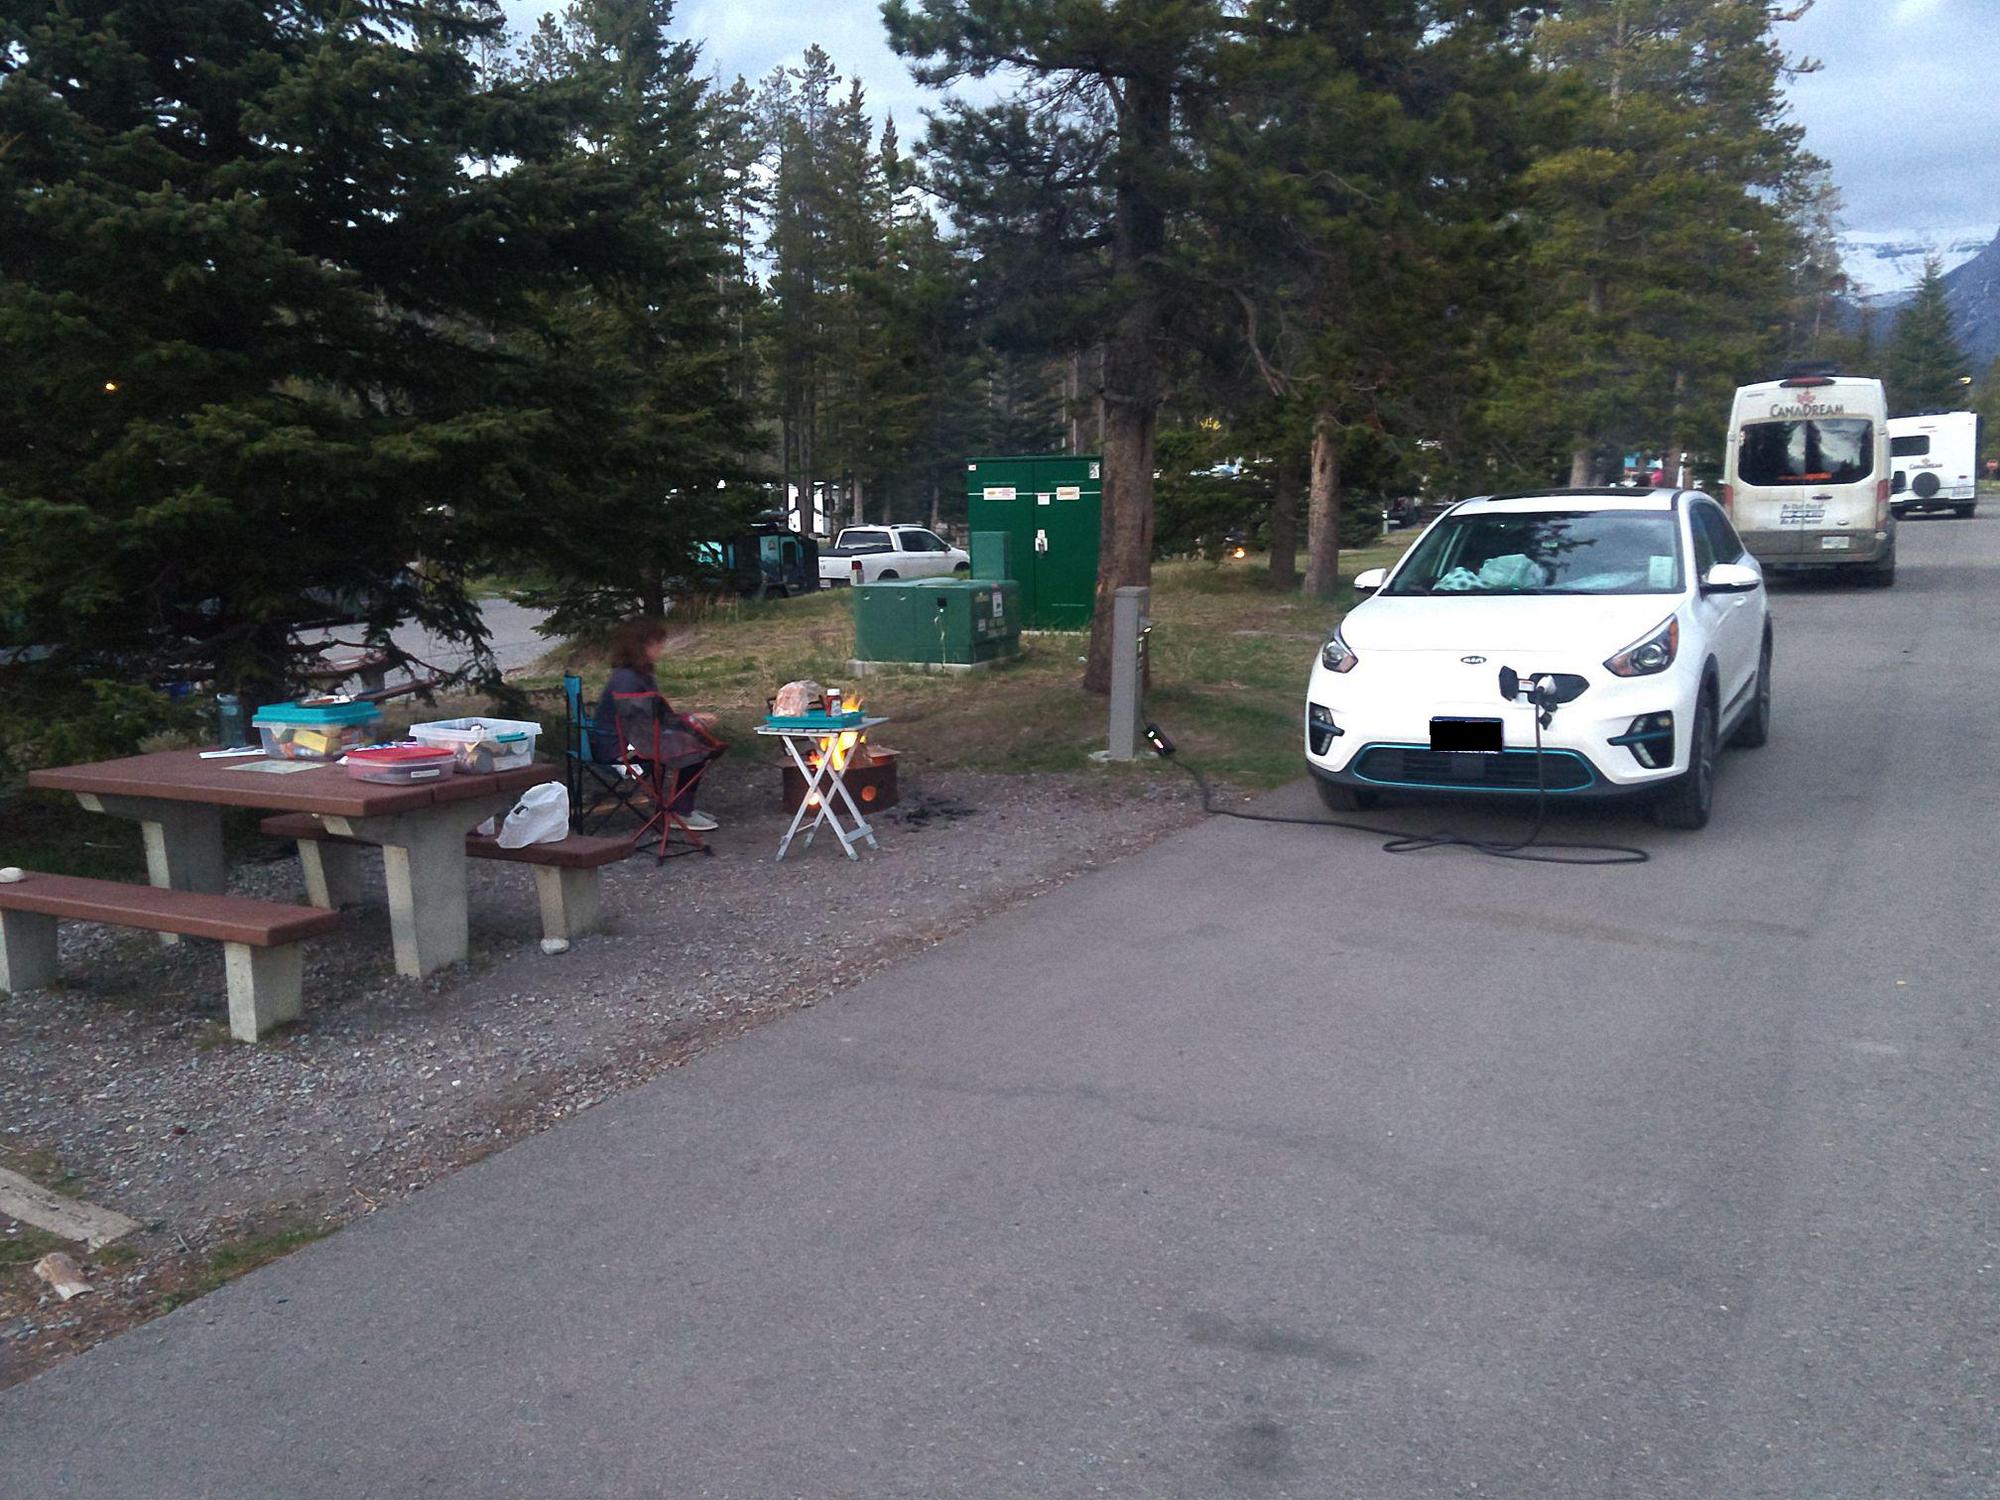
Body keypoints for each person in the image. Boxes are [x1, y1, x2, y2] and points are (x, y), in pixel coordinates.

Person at [591, 616, 722, 833]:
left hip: (629, 738)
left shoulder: (637, 675)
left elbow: (653, 715)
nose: (661, 647)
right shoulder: (627, 680)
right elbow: (646, 720)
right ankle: (680, 811)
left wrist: (688, 720)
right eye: (658, 642)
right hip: (619, 748)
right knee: (696, 749)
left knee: (692, 742)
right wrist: (687, 722)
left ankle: (680, 808)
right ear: (645, 644)